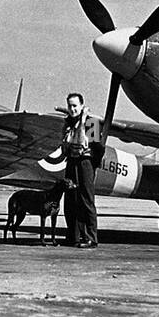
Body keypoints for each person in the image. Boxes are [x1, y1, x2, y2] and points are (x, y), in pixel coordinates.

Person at [60, 92, 100, 248]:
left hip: (85, 162)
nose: (72, 109)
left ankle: (91, 238)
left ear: (82, 106)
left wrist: (91, 164)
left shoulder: (92, 122)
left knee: (86, 200)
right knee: (70, 200)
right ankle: (73, 236)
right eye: (69, 105)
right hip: (71, 161)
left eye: (75, 105)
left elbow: (98, 147)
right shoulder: (67, 123)